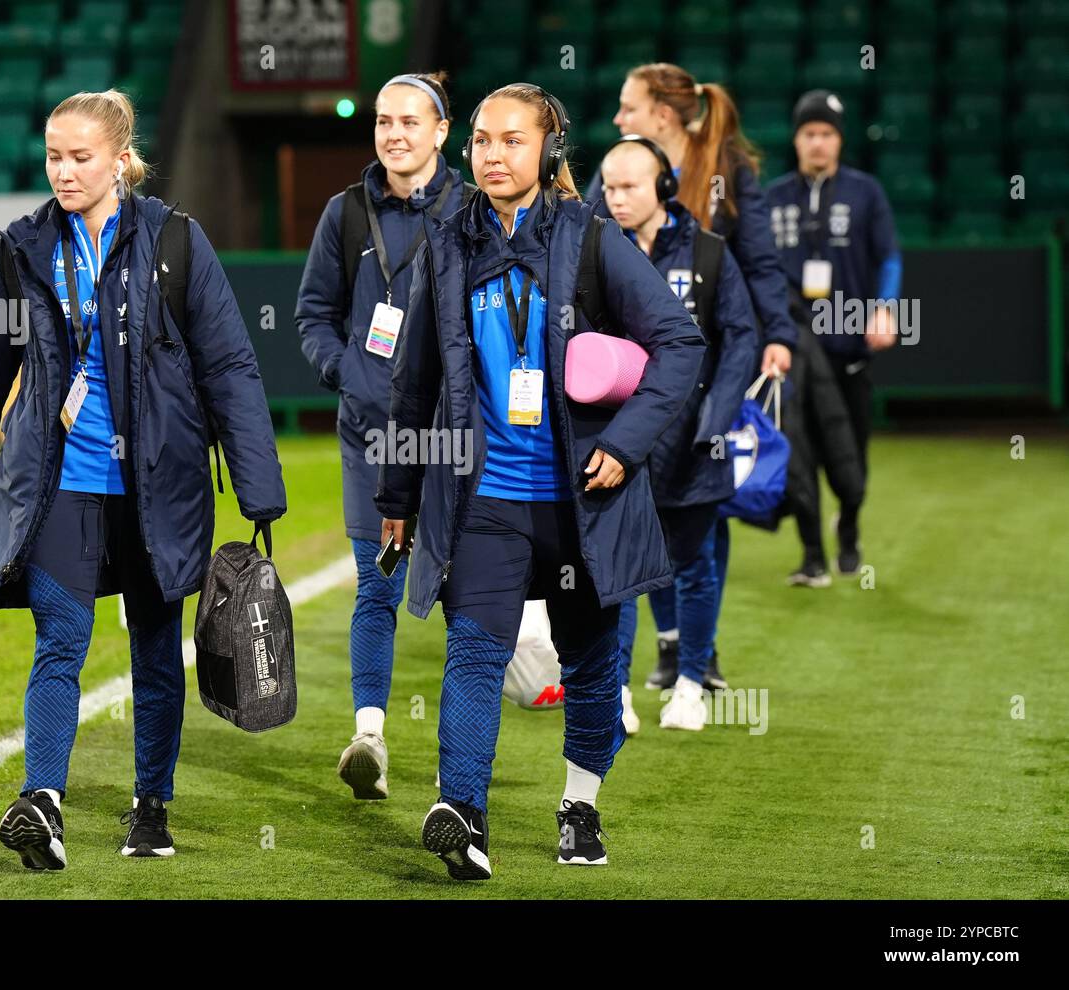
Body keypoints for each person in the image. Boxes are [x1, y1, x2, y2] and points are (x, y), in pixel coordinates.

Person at [0, 89, 286, 870]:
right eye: (53, 156)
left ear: (121, 160)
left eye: (80, 157)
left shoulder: (176, 243)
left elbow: (228, 364)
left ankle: (150, 806)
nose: (63, 171)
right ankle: (43, 803)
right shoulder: (22, 248)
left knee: (155, 648)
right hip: (60, 480)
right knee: (60, 640)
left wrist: (259, 486)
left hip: (159, 483)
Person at [376, 84, 704, 879]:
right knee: (474, 654)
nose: (491, 155)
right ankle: (464, 811)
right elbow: (413, 380)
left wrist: (625, 445)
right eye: (482, 141)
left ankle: (580, 808)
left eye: (511, 141)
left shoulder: (593, 238)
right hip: (483, 500)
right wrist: (394, 498)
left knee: (591, 666)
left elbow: (680, 344)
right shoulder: (447, 240)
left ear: (549, 149)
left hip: (582, 501)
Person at [587, 62, 796, 696]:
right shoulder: (616, 181)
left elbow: (755, 260)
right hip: (637, 381)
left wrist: (777, 333)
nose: (620, 117)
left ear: (663, 113)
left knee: (702, 515)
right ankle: (671, 648)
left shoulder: (728, 170)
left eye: (629, 107)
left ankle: (697, 657)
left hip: (709, 363)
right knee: (640, 520)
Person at [296, 72, 468, 801]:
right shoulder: (344, 214)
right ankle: (369, 735)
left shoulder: (472, 210)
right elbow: (312, 317)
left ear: (440, 132)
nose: (393, 133)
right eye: (381, 121)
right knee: (377, 586)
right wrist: (351, 375)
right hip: (371, 436)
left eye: (408, 121)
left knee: (470, 594)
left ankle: (461, 753)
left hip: (454, 439)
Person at [599, 135, 758, 730]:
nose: (615, 198)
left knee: (694, 567)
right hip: (619, 440)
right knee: (617, 574)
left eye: (630, 187)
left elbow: (741, 336)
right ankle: (613, 692)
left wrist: (717, 416)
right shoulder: (594, 253)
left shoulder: (711, 254)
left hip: (695, 440)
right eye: (610, 187)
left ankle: (690, 683)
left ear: (663, 187)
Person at [765, 89, 901, 584]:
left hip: (848, 349)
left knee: (851, 455)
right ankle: (811, 556)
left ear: (838, 141)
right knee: (799, 451)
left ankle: (849, 526)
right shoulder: (773, 196)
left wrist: (885, 308)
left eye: (826, 134)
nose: (817, 143)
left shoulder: (866, 193)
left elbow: (888, 256)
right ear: (797, 140)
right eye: (809, 134)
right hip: (796, 350)